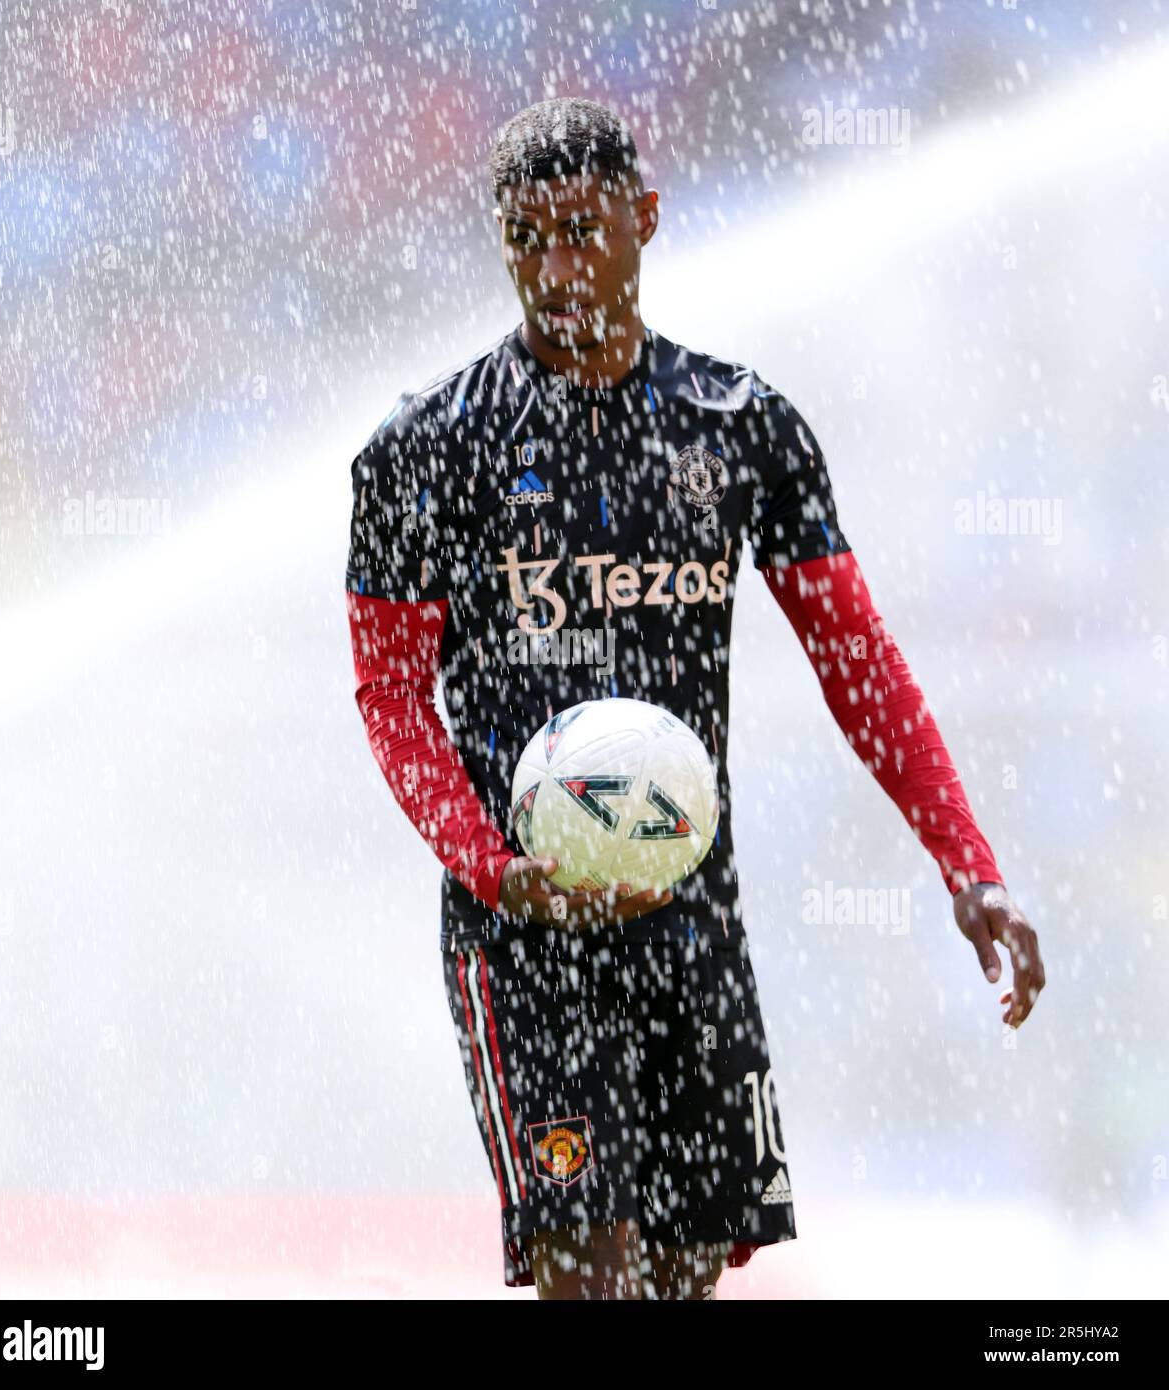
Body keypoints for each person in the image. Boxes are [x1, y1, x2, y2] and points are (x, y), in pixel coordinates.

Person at [344, 97, 1044, 1300]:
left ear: (646, 220)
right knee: (582, 1275)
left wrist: (965, 863)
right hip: (523, 934)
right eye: (526, 239)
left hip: (689, 918)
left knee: (677, 1281)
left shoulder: (742, 427)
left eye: (582, 229)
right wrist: (495, 867)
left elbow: (858, 663)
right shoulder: (422, 450)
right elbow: (391, 698)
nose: (556, 268)